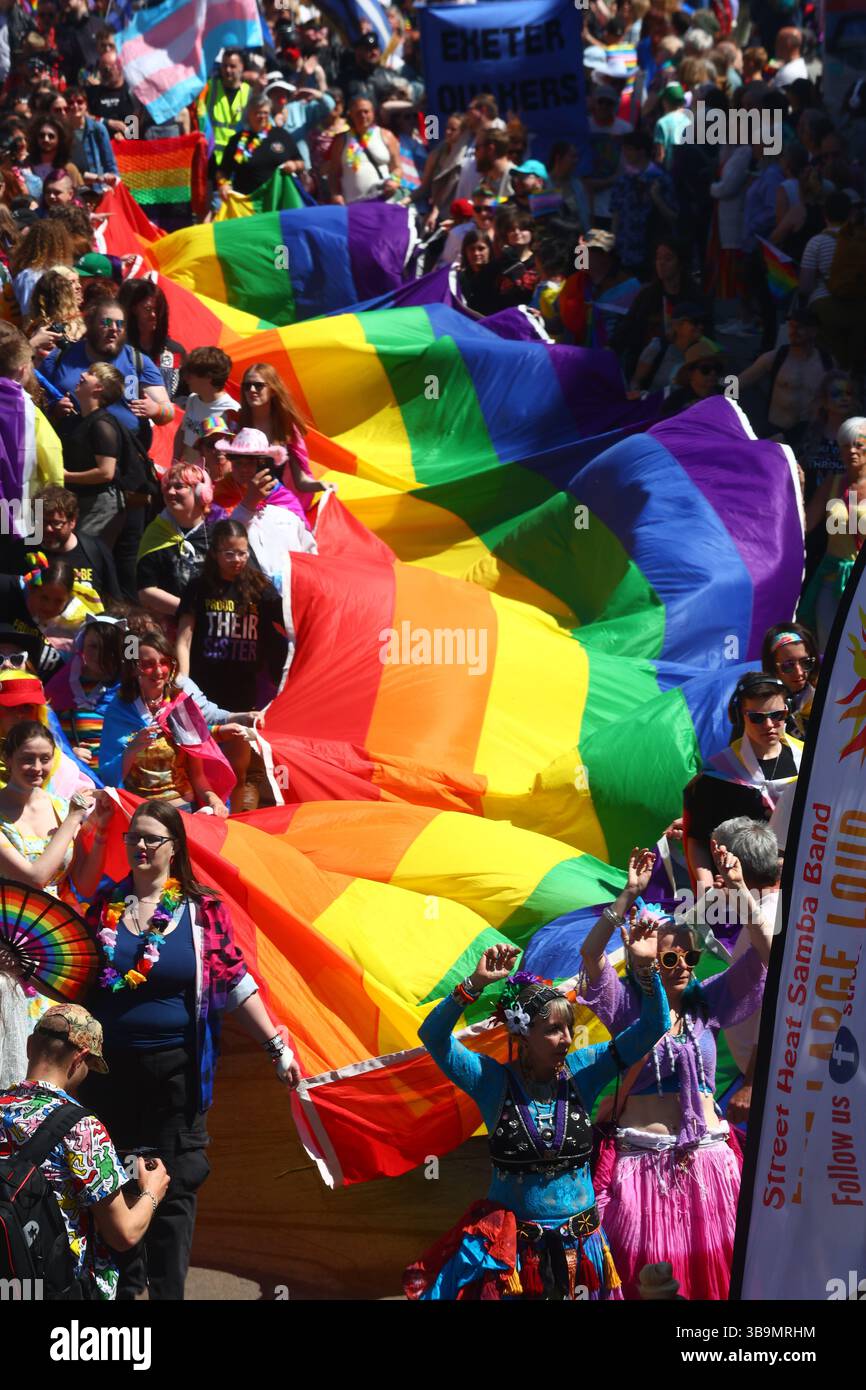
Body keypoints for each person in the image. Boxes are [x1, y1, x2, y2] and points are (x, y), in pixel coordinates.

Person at [80, 798, 299, 1299]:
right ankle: (124, 1293)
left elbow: (234, 981)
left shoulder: (202, 911)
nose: (138, 845)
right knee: (112, 1181)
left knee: (174, 1185)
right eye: (132, 836)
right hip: (109, 1076)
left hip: (176, 1074)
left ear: (173, 847)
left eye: (150, 838)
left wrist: (274, 1046)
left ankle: (168, 1292)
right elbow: (81, 975)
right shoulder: (105, 908)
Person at [404, 928, 670, 1301]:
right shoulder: (490, 1081)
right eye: (553, 1030)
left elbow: (654, 1026)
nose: (566, 1039)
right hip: (514, 1259)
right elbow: (432, 1035)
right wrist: (475, 984)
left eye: (568, 1028)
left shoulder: (585, 1070)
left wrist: (647, 968)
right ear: (522, 1036)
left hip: (583, 1249)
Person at [578, 845, 768, 1299]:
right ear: (647, 957)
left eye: (690, 958)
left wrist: (740, 890)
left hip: (708, 1160)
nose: (682, 965)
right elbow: (590, 957)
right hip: (643, 1163)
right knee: (647, 1273)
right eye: (670, 958)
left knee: (715, 1275)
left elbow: (765, 953)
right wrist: (627, 896)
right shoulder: (626, 1006)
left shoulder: (707, 1003)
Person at [0, 1003, 170, 1298]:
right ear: (79, 1060)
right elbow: (124, 1233)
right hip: (58, 1287)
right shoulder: (82, 1129)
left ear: (29, 1046)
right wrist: (153, 1192)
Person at [176, 520, 287, 811]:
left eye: (241, 553)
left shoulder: (259, 587)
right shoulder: (199, 587)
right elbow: (184, 637)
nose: (237, 560)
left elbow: (288, 621)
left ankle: (237, 825)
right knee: (200, 768)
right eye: (229, 553)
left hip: (243, 692)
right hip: (203, 690)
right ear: (214, 553)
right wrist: (183, 682)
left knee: (238, 770)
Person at [683, 671, 802, 895]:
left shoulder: (808, 762)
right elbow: (697, 839)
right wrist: (707, 892)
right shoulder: (718, 774)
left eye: (777, 715)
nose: (769, 724)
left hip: (798, 889)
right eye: (757, 717)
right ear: (740, 716)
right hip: (737, 893)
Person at [98, 630, 236, 813]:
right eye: (147, 664)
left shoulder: (181, 705)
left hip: (183, 811)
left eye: (164, 663)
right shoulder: (119, 711)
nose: (158, 671)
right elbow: (108, 775)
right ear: (134, 668)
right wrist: (132, 748)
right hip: (139, 815)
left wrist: (214, 800)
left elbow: (198, 775)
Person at [41, 298, 175, 450]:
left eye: (120, 324)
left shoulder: (138, 361)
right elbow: (37, 402)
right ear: (90, 324)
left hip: (125, 456)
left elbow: (169, 411)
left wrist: (156, 410)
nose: (114, 328)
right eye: (106, 322)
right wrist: (54, 409)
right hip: (73, 452)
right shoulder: (61, 357)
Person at [214, 428, 319, 586]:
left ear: (263, 464)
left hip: (289, 588)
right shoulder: (220, 496)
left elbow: (308, 548)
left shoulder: (284, 500)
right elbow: (219, 541)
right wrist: (248, 504)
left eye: (249, 464)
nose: (243, 470)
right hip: (241, 588)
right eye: (238, 463)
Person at [801, 417, 866, 648]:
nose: (852, 451)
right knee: (828, 647)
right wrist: (795, 488)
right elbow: (805, 525)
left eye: (859, 444)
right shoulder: (833, 483)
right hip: (831, 577)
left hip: (864, 581)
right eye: (846, 445)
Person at [136, 462, 224, 618]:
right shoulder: (155, 533)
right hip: (167, 628)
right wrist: (190, 611)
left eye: (179, 486)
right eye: (167, 487)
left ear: (200, 493)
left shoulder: (218, 534)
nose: (170, 492)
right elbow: (145, 592)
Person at [736, 304, 831, 448]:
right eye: (792, 326)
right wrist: (713, 392)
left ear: (814, 331)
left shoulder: (827, 364)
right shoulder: (774, 358)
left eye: (800, 327)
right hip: (774, 434)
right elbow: (738, 382)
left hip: (808, 438)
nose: (794, 331)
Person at [60, 360, 126, 541]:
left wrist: (66, 476)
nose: (82, 375)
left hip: (99, 505)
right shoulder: (78, 419)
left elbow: (106, 472)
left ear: (99, 388)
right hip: (79, 501)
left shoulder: (101, 424)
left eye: (91, 374)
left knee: (86, 555)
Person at [46, 616, 123, 767]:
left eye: (108, 648)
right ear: (82, 646)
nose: (100, 654)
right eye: (93, 646)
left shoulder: (128, 686)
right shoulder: (61, 682)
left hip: (114, 777)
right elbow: (45, 730)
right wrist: (66, 753)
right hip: (74, 776)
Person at [33, 483, 121, 602]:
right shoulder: (19, 551)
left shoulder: (95, 552)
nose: (48, 529)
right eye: (42, 522)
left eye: (56, 523)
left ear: (72, 521)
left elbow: (114, 602)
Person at [0, 556, 76, 679]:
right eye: (44, 598)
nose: (49, 607)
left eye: (58, 601)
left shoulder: (74, 622)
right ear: (30, 587)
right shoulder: (5, 590)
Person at [218, 93, 306, 199]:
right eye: (258, 113)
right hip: (247, 203)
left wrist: (294, 165)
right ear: (248, 114)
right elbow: (222, 171)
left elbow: (301, 162)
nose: (262, 116)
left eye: (265, 113)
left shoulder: (281, 135)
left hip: (277, 200)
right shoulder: (237, 140)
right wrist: (223, 184)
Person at [117, 279, 187, 404]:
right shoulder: (121, 349)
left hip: (167, 419)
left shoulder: (174, 351)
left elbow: (184, 393)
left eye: (158, 309)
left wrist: (172, 409)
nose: (154, 315)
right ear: (134, 309)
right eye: (148, 309)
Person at [327, 96, 401, 205]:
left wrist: (394, 181)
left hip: (383, 201)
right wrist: (335, 194)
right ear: (351, 115)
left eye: (366, 112)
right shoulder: (341, 140)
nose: (363, 116)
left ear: (373, 113)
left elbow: (397, 168)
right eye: (358, 113)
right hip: (353, 204)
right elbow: (333, 173)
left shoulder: (386, 136)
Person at [197, 47, 251, 186]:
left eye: (232, 66)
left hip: (236, 159)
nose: (228, 70)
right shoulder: (210, 87)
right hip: (210, 157)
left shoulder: (249, 93)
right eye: (225, 65)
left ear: (242, 67)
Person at [174, 346, 238, 462]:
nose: (185, 379)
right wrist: (175, 461)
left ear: (208, 377)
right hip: (187, 472)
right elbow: (182, 432)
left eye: (190, 375)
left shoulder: (231, 411)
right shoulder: (192, 400)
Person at [760, 623, 820, 738]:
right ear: (772, 667)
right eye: (788, 665)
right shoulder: (758, 708)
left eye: (806, 662)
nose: (799, 672)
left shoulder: (829, 697)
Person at [65, 84, 118, 185]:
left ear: (86, 105)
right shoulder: (63, 132)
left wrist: (113, 183)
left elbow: (110, 164)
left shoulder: (98, 129)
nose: (75, 106)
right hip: (75, 186)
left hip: (98, 188)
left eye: (80, 102)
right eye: (70, 103)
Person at [660, 336, 726, 415]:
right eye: (705, 369)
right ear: (690, 373)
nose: (713, 373)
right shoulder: (675, 401)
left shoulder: (724, 395)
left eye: (717, 368)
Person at [457, 229, 496, 316]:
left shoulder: (498, 277)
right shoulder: (460, 278)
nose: (476, 253)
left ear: (490, 249)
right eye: (471, 249)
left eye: (481, 248)